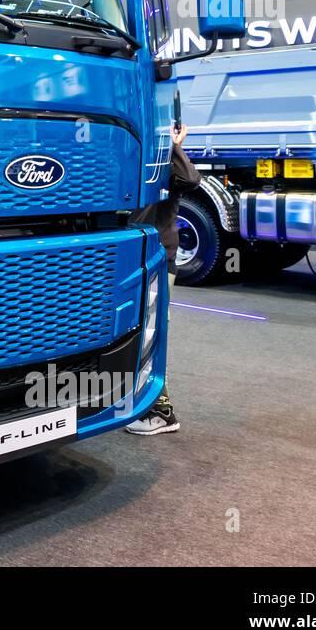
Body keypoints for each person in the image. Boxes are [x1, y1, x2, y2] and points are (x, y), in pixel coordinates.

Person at [125, 121, 200, 435]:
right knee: (136, 333)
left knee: (152, 335)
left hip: (157, 257)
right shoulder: (137, 157)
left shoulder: (166, 161)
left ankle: (161, 412)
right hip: (132, 254)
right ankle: (141, 403)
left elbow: (191, 179)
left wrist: (173, 145)